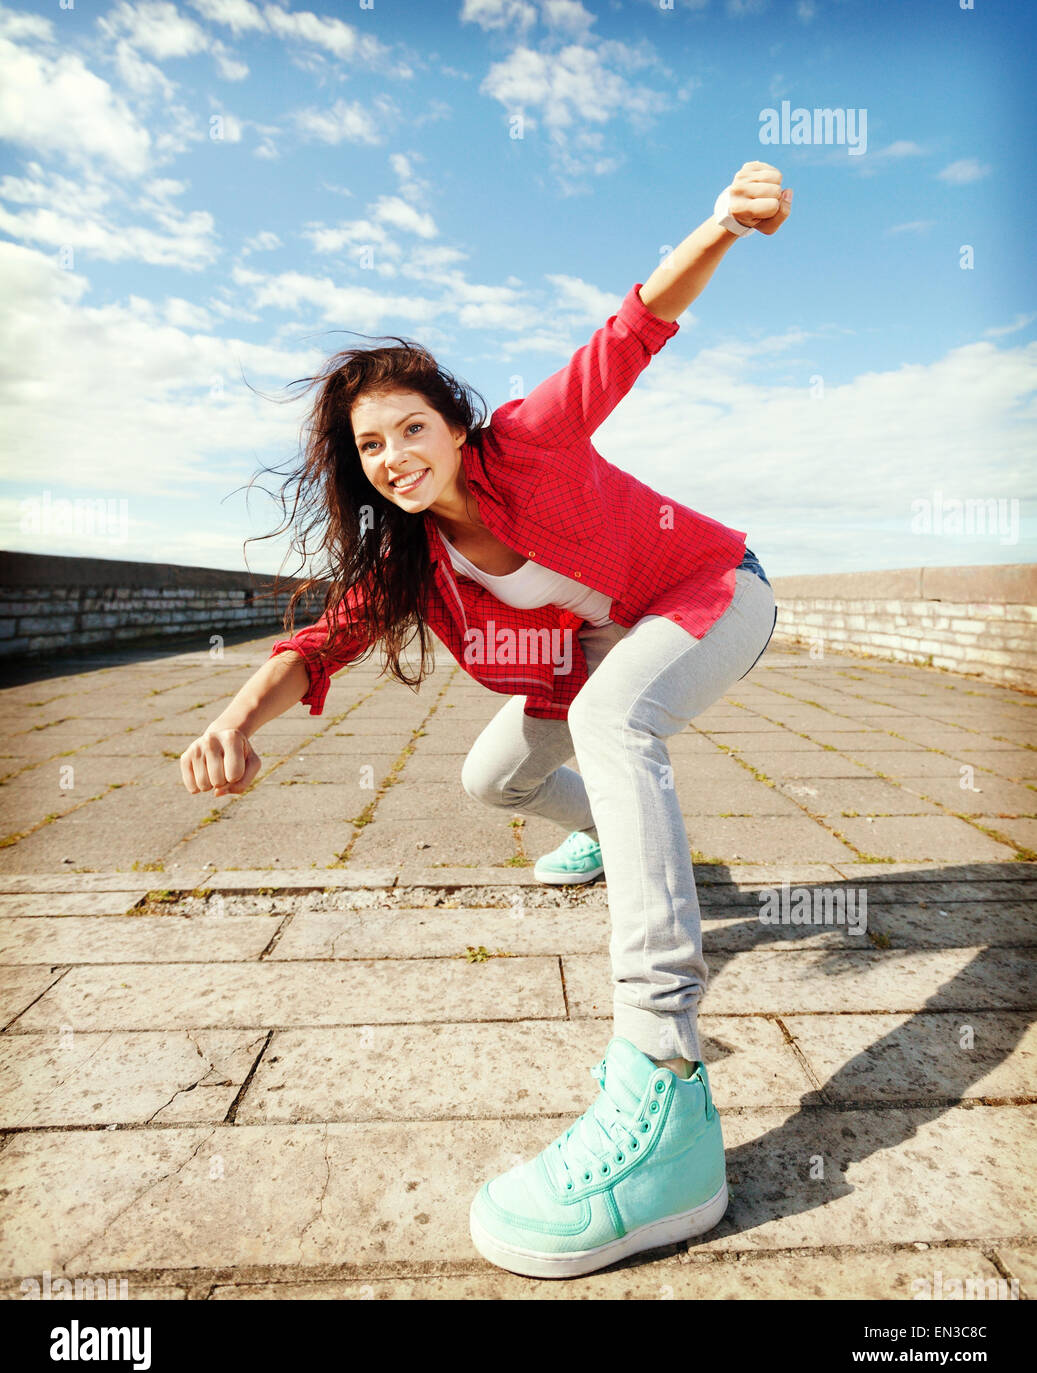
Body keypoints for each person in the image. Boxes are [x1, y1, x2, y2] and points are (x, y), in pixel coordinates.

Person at [181, 162, 792, 1279]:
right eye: (371, 449)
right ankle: (620, 832)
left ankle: (660, 1074)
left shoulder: (530, 441)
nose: (394, 458)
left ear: (453, 425)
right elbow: (319, 642)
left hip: (709, 590)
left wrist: (719, 224)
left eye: (408, 429)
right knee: (489, 778)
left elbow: (634, 324)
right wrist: (238, 718)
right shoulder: (409, 563)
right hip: (588, 661)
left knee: (615, 719)